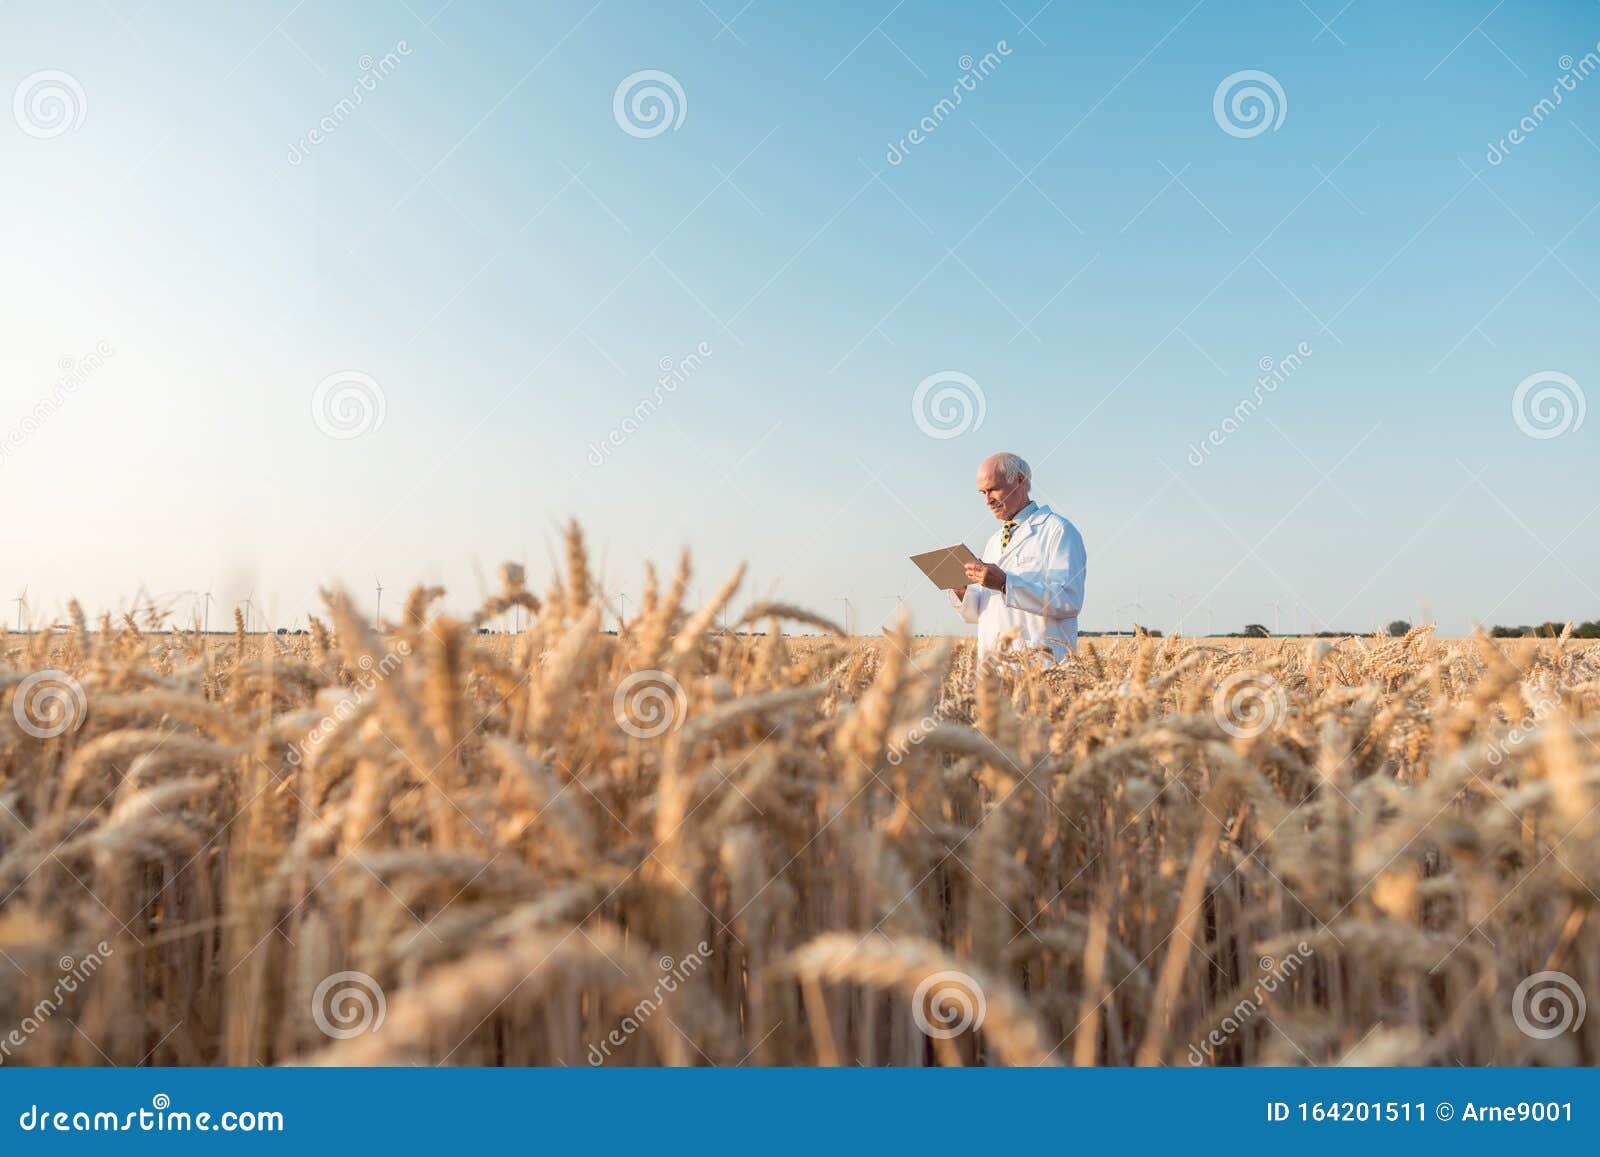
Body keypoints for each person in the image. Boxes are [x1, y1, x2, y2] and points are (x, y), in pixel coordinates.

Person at [949, 452, 1086, 663]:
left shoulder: (1058, 531)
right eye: (983, 493)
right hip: (994, 669)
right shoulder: (994, 541)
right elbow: (982, 612)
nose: (988, 500)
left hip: (1041, 667)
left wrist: (1005, 584)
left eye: (993, 489)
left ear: (1020, 480)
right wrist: (963, 591)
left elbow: (1068, 601)